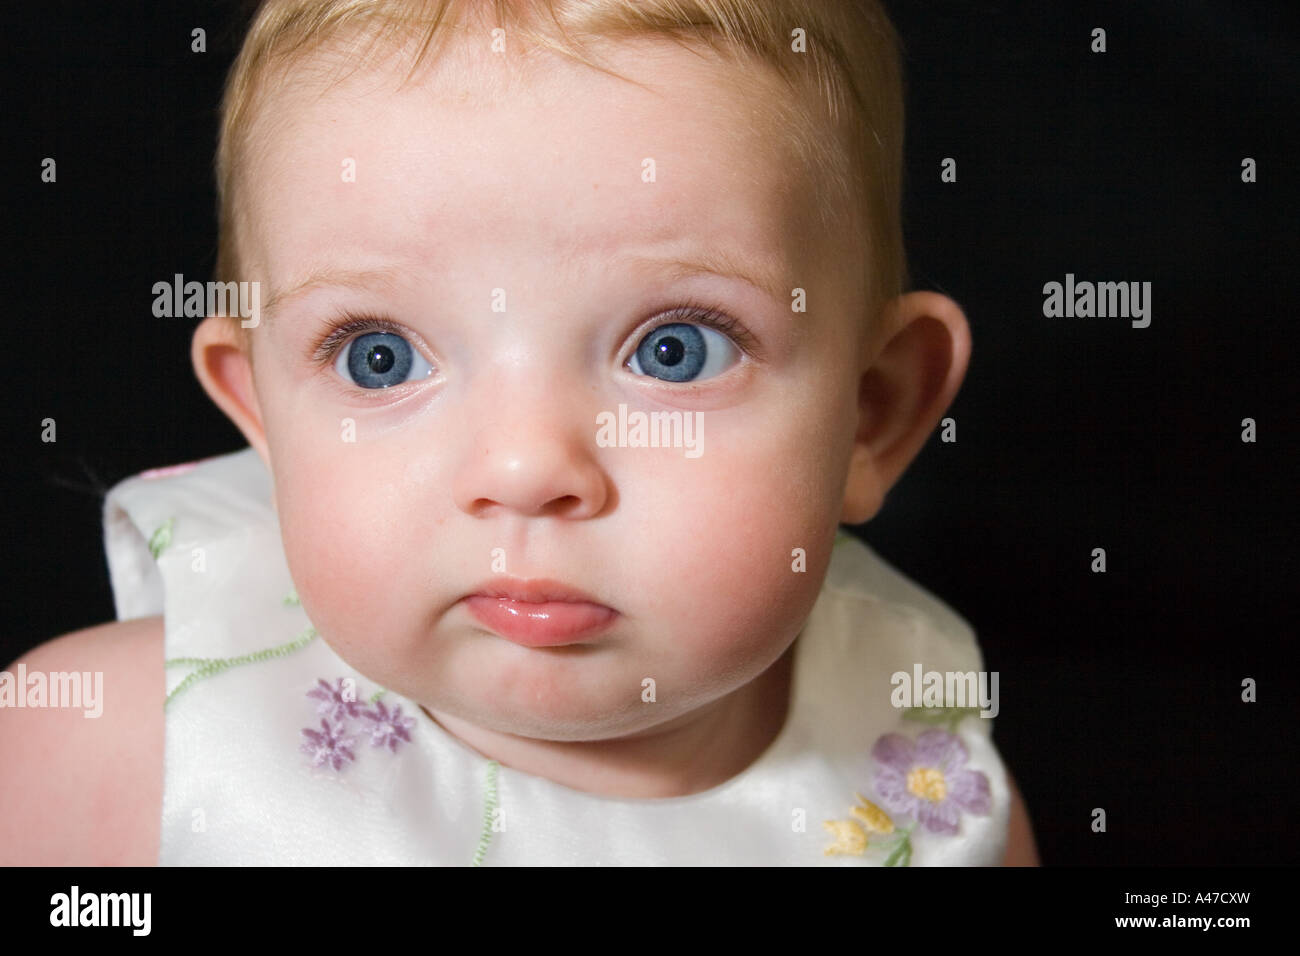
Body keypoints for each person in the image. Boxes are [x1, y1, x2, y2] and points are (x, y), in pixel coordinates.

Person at [0, 0, 1039, 865]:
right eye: (382, 356)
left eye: (676, 349)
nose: (525, 468)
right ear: (264, 414)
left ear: (874, 414)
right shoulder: (116, 746)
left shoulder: (928, 784)